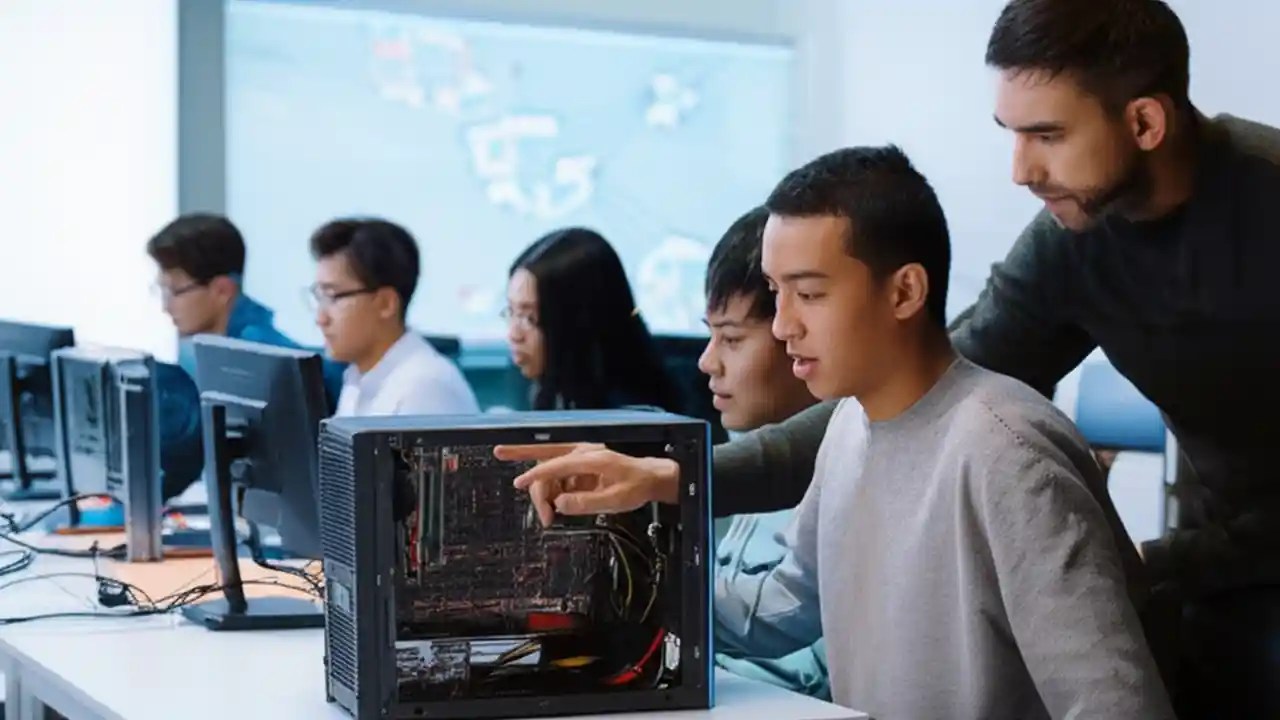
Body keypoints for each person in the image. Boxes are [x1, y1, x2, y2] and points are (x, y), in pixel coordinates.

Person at [500, 2, 1280, 716]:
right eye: (1011, 133)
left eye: (1047, 135)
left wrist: (1160, 561)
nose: (1020, 170)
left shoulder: (1012, 451)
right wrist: (681, 478)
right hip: (1225, 569)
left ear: (1144, 122)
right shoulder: (1075, 239)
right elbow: (897, 400)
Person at [499, 146, 1174, 718]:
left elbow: (1113, 705)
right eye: (776, 291)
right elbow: (783, 607)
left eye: (810, 294)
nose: (785, 323)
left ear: (905, 292)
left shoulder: (1009, 452)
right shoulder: (850, 426)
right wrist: (608, 578)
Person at [697, 207, 826, 699]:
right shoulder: (746, 451)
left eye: (731, 338)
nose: (708, 362)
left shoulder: (855, 470)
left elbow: (813, 678)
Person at [147, 213, 341, 500]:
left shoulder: (261, 360)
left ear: (222, 290)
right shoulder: (211, 351)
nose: (165, 306)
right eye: (161, 290)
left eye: (175, 291)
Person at [309, 218, 478, 417]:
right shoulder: (357, 377)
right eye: (319, 296)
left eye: (333, 297)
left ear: (386, 304)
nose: (320, 318)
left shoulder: (424, 389)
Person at [504, 227, 681, 412]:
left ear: (579, 322)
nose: (513, 335)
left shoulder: (636, 416)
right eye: (511, 311)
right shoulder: (535, 385)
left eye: (530, 318)